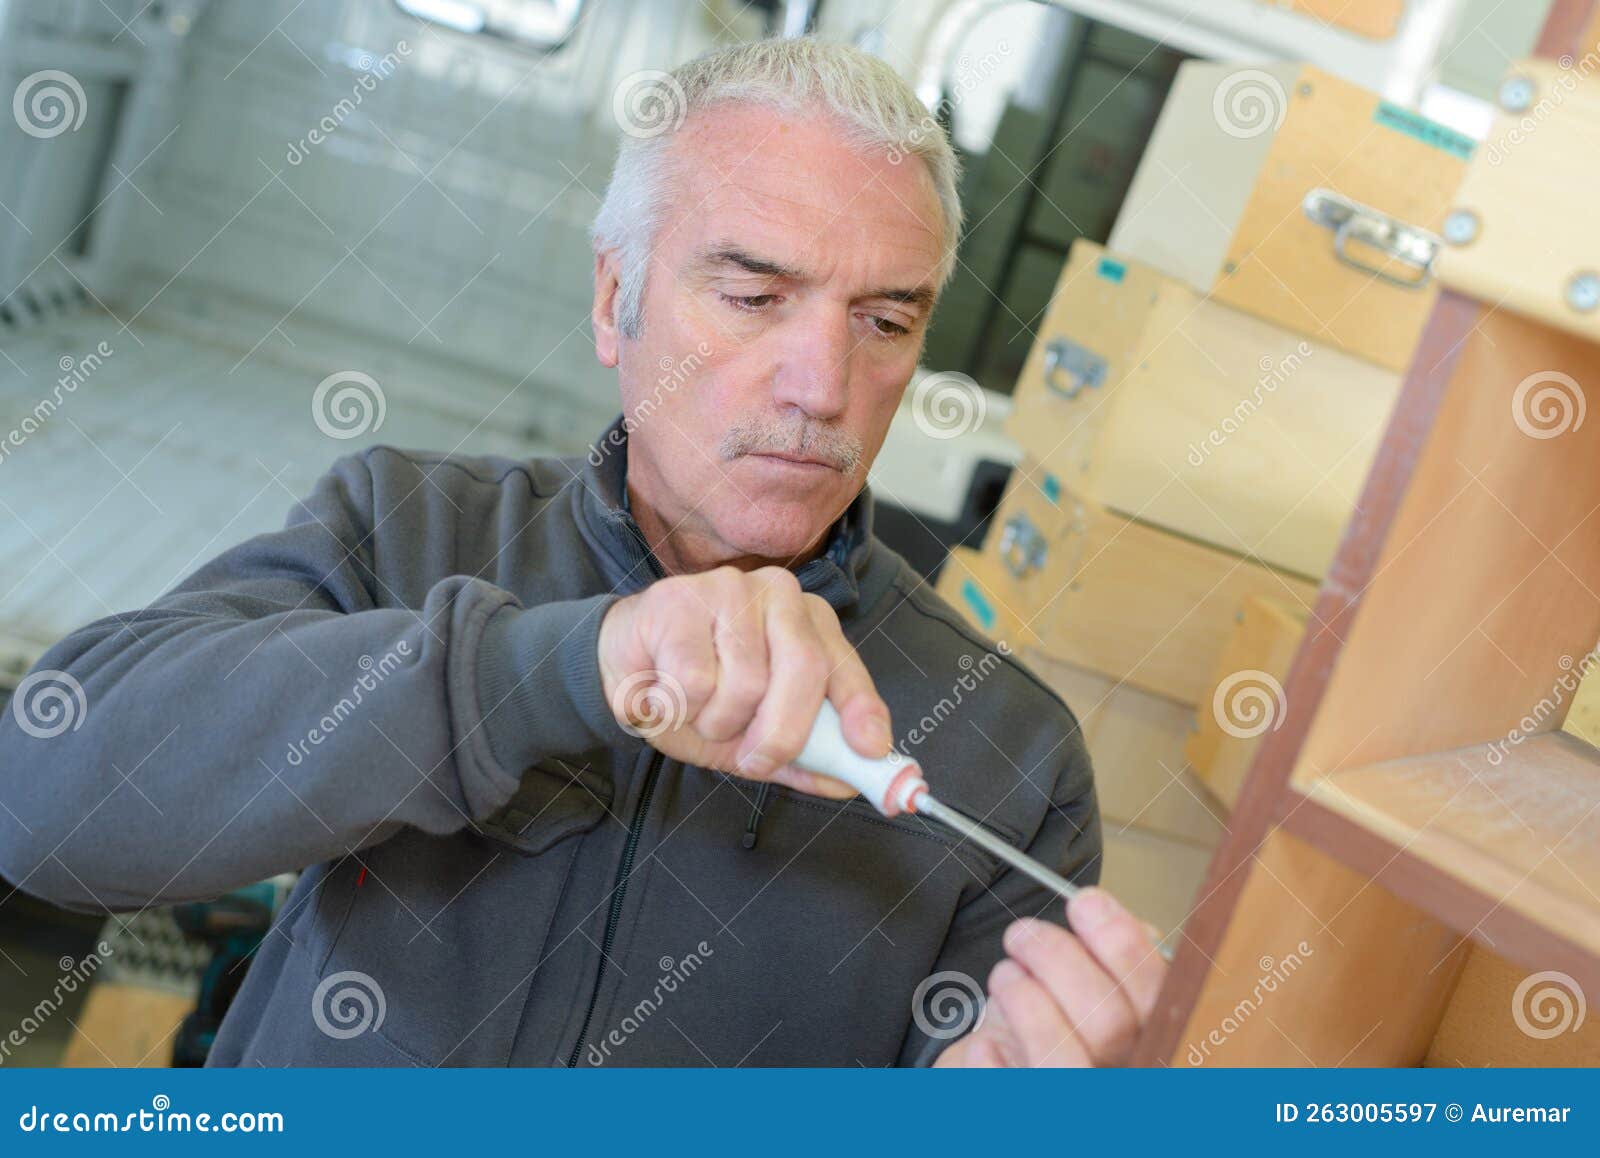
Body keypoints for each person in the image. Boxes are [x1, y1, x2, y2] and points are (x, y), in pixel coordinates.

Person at [0, 36, 1165, 1067]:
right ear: (616, 301)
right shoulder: (410, 528)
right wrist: (559, 670)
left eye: (885, 322)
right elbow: (45, 802)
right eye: (755, 297)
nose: (822, 387)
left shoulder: (1007, 759)